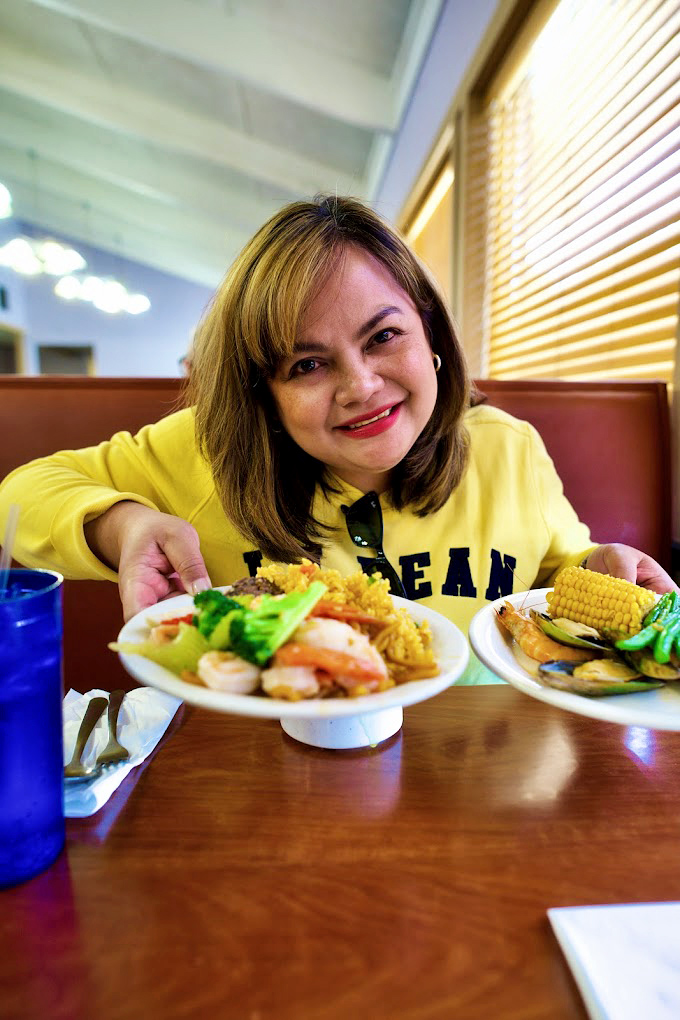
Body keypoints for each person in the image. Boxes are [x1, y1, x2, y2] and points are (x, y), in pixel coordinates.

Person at [0, 195, 675, 672]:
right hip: (273, 775)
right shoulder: (205, 452)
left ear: (430, 334)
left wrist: (602, 570)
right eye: (307, 365)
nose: (360, 386)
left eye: (383, 336)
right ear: (265, 393)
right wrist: (121, 526)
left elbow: (554, 574)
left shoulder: (508, 449)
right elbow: (21, 494)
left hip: (481, 771)